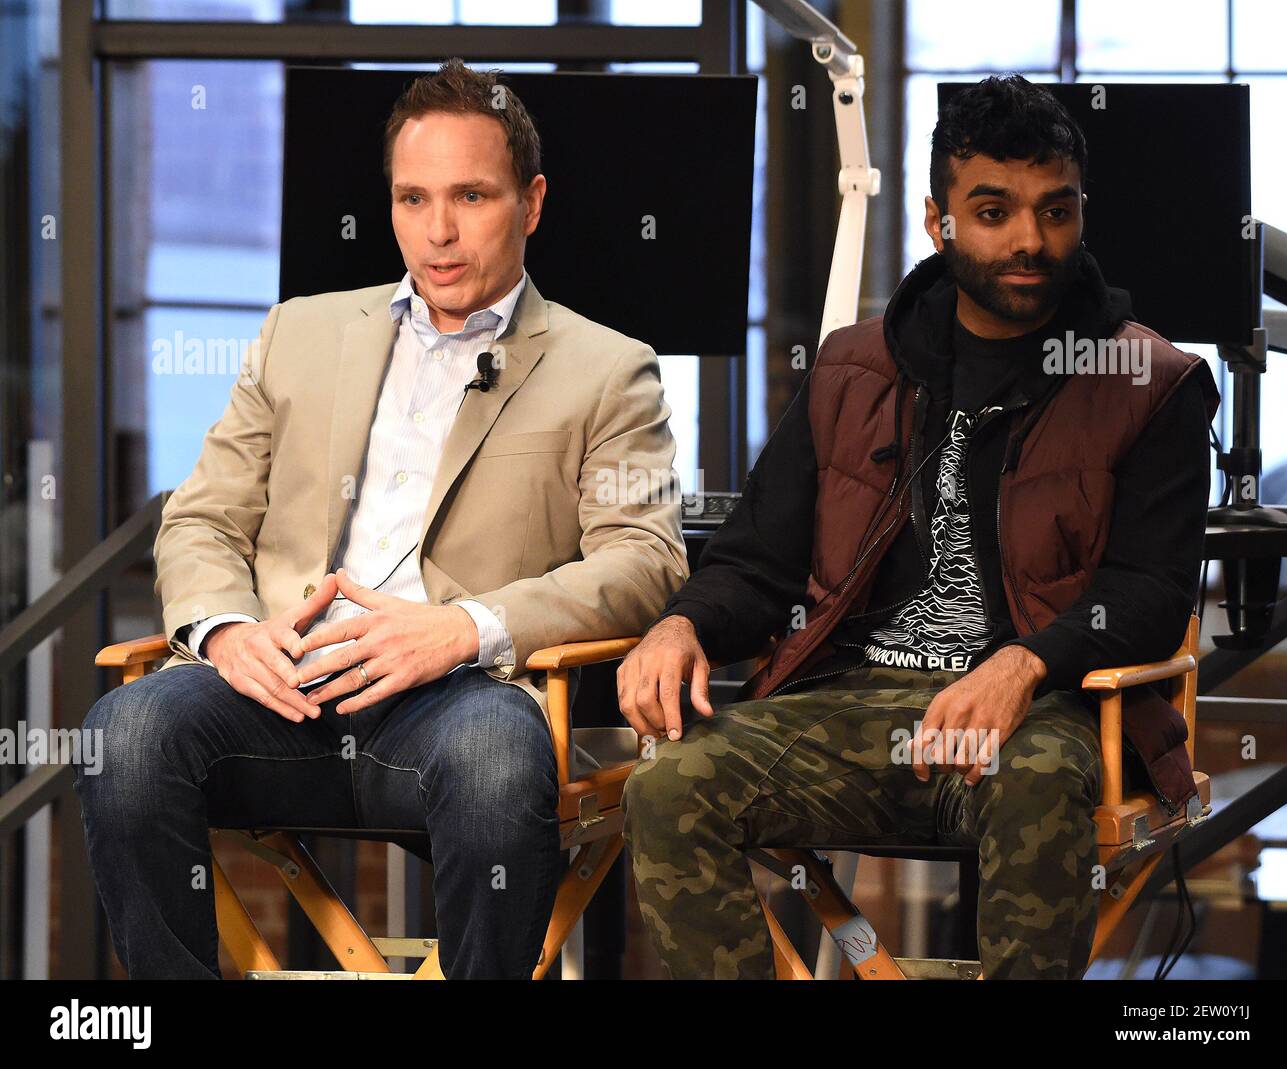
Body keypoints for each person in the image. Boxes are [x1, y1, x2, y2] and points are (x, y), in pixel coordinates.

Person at [76, 58, 687, 980]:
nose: (437, 233)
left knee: (495, 758)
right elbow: (201, 518)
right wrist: (226, 628)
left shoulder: (609, 369)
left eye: (472, 196)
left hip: (455, 703)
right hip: (278, 690)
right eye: (412, 198)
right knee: (126, 732)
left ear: (533, 201)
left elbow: (645, 561)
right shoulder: (299, 332)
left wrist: (464, 628)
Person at [618, 73, 1219, 980]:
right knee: (666, 785)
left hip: (1039, 717)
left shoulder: (1155, 383)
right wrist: (683, 623)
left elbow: (1148, 594)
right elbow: (755, 561)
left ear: (1082, 213)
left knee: (1039, 784)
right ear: (936, 220)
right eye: (994, 211)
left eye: (1056, 211)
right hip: (849, 701)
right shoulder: (851, 367)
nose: (1029, 240)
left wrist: (1022, 665)